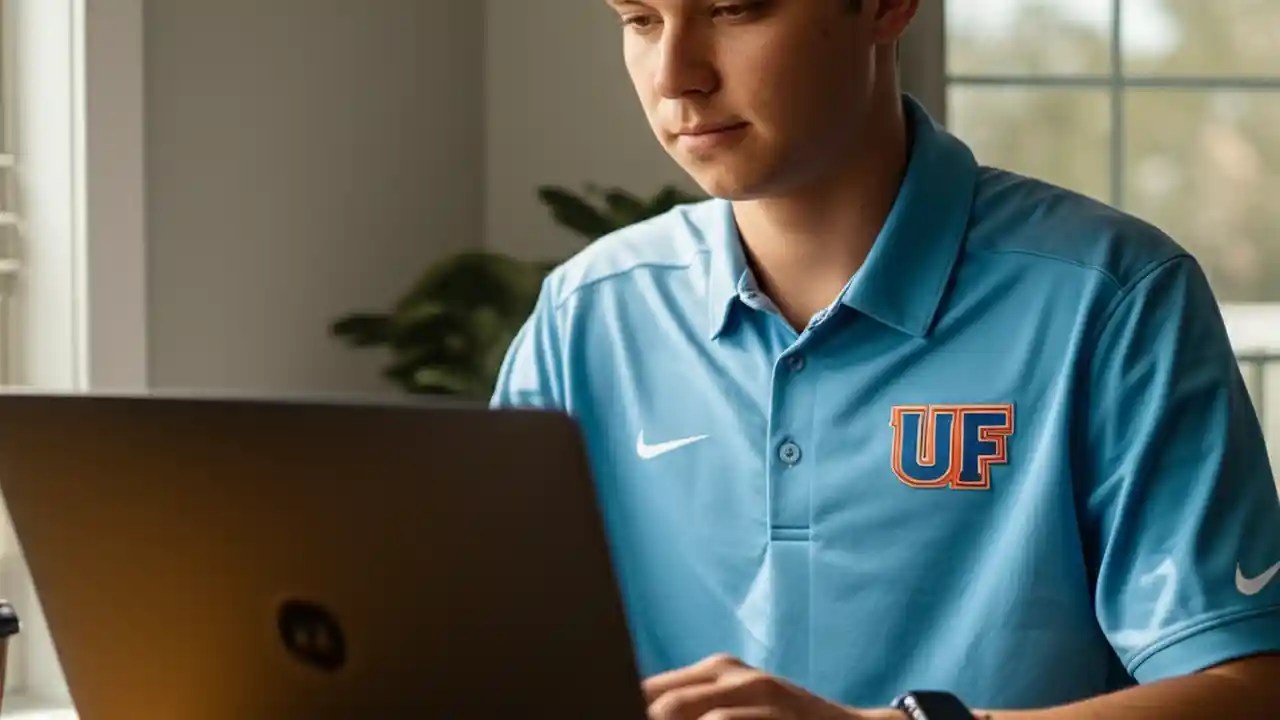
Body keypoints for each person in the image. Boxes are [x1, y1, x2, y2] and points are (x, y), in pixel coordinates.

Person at [490, 0, 1280, 717]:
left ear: (887, 8)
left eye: (734, 9)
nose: (676, 77)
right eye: (641, 20)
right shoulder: (587, 312)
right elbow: (483, 654)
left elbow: (1245, 689)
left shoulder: (1112, 297)